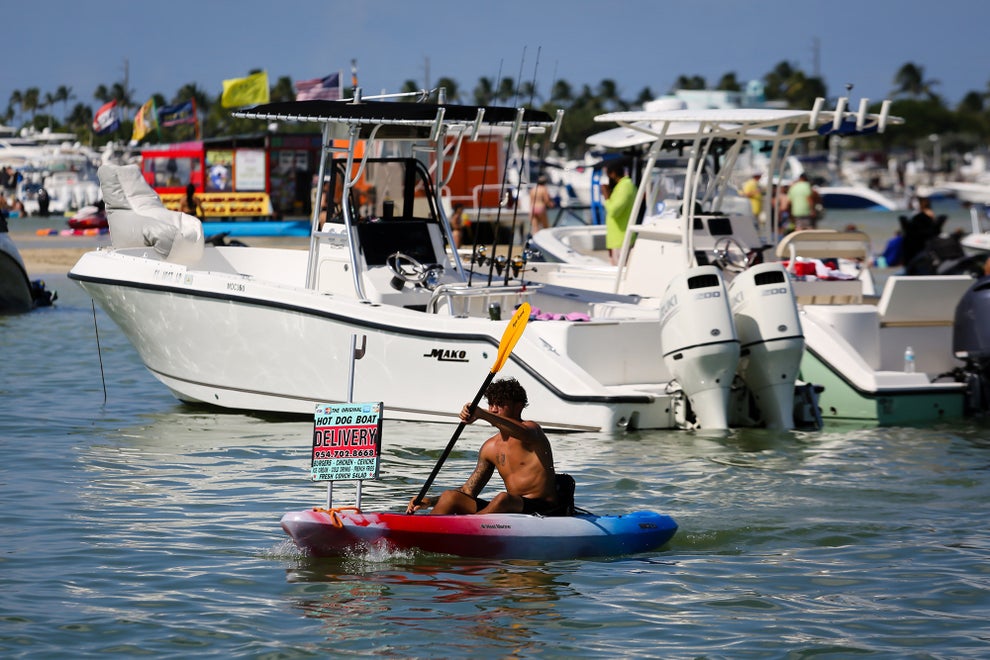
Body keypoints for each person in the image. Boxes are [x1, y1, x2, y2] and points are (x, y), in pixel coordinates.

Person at [406, 378, 562, 516]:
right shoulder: (490, 447)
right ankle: (424, 530)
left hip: (544, 507)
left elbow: (523, 432)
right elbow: (468, 491)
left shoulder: (532, 431)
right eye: (491, 404)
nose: (493, 409)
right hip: (511, 508)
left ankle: (468, 527)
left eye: (500, 404)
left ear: (518, 407)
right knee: (450, 496)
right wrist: (430, 501)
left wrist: (483, 414)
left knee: (502, 499)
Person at [601, 161, 637, 265]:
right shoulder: (622, 186)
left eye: (608, 175)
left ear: (613, 173)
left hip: (621, 240)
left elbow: (614, 211)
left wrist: (606, 197)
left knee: (621, 272)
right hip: (618, 240)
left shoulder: (625, 186)